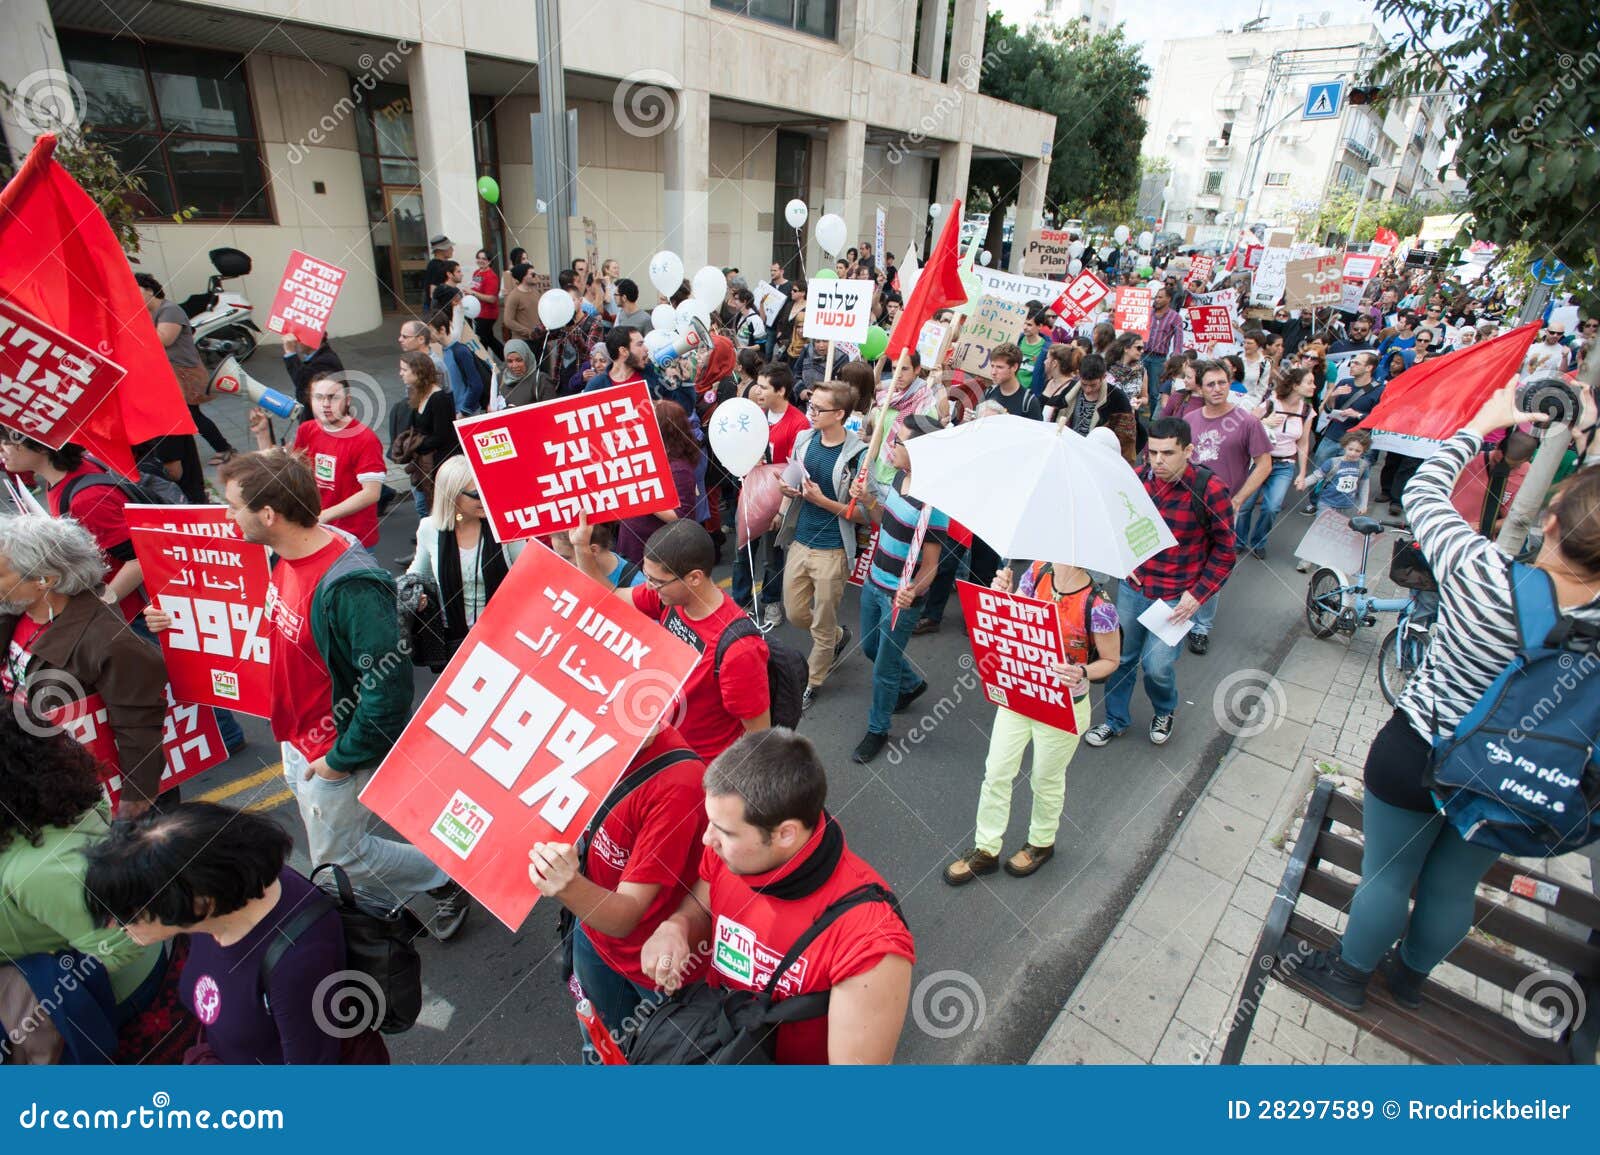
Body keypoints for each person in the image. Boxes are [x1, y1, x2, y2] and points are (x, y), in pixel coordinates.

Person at [1295, 385, 1600, 1012]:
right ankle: (1409, 979)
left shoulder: (1482, 572)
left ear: (1548, 521)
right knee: (1451, 888)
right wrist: (1587, 442)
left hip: (1419, 748)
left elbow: (1422, 493)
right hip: (1509, 775)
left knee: (1387, 873)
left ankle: (1349, 977)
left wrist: (1480, 424)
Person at [146, 450, 470, 936]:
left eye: (234, 506)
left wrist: (339, 758)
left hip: (331, 748)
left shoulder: (351, 585)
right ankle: (406, 892)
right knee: (338, 851)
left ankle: (444, 878)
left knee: (340, 858)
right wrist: (183, 622)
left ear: (269, 515)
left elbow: (387, 692)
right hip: (298, 740)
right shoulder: (288, 553)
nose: (227, 517)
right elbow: (276, 626)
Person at [638, 729, 914, 1064]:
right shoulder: (731, 854)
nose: (707, 840)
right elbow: (701, 904)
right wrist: (677, 926)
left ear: (785, 833)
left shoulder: (870, 942)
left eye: (724, 831)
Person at [85, 802, 388, 1064]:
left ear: (201, 901)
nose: (114, 926)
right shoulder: (220, 897)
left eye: (127, 913)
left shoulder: (298, 961)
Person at [0, 712, 188, 1065]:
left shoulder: (41, 870)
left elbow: (124, 941)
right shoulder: (49, 799)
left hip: (120, 1001)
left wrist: (51, 991)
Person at [528, 723, 708, 1051]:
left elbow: (625, 917)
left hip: (652, 962)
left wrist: (568, 886)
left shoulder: (678, 785)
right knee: (600, 1044)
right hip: (592, 935)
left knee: (659, 1056)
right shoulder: (584, 740)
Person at [945, 560, 1121, 885]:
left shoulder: (1099, 605)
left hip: (1064, 705)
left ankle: (1041, 843)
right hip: (1021, 692)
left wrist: (1082, 671)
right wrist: (1000, 595)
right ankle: (985, 848)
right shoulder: (1037, 572)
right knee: (996, 771)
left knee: (1045, 779)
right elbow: (1013, 620)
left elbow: (1112, 660)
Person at [0, 516, 167, 817]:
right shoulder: (13, 614)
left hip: (92, 800)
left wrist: (135, 801)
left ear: (45, 580)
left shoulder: (108, 641)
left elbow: (139, 728)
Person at [1085, 418, 1236, 748]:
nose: (1157, 461)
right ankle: (1115, 719)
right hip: (1133, 589)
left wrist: (1197, 595)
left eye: (1167, 453)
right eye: (1152, 452)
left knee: (1157, 666)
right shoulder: (1136, 481)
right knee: (1121, 658)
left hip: (1176, 598)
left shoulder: (1210, 490)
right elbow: (1115, 526)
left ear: (1189, 451)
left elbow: (1226, 549)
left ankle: (1164, 710)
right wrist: (1124, 560)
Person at [573, 518, 770, 761]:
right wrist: (582, 548)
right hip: (668, 748)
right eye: (648, 576)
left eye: (657, 581)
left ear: (695, 578)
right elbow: (610, 596)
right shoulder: (670, 597)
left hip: (706, 769)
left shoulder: (740, 649)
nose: (649, 586)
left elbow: (759, 740)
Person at [848, 414, 948, 764]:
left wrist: (913, 591)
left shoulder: (935, 505)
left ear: (919, 450)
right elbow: (881, 523)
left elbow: (931, 567)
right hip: (873, 580)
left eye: (900, 441)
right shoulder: (902, 476)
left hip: (899, 599)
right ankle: (912, 684)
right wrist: (870, 502)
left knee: (883, 669)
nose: (893, 445)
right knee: (871, 649)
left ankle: (878, 730)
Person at [775, 382, 868, 710]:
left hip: (833, 550)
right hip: (800, 539)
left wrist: (823, 501)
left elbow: (864, 514)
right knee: (796, 612)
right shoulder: (805, 439)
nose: (810, 413)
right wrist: (788, 491)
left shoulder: (859, 457)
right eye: (810, 406)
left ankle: (813, 681)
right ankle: (838, 638)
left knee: (822, 621)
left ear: (840, 414)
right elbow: (794, 478)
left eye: (818, 409)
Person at [1182, 360, 1271, 653]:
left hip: (1222, 509)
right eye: (1211, 384)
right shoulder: (1191, 418)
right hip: (1188, 505)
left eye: (1222, 383)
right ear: (1201, 387)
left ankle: (1201, 626)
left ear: (1230, 383)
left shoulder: (1247, 421)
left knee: (1211, 566)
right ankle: (1180, 613)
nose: (1217, 389)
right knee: (1185, 561)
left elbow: (1263, 464)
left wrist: (1238, 499)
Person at [406, 456, 524, 664]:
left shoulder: (504, 525)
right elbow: (417, 575)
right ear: (453, 496)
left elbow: (529, 576)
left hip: (506, 638)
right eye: (477, 494)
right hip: (454, 641)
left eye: (488, 490)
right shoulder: (429, 528)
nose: (485, 499)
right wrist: (415, 595)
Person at [249, 372, 384, 548]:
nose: (325, 405)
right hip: (316, 532)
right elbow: (283, 471)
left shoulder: (365, 439)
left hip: (352, 539)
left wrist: (324, 515)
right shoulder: (307, 429)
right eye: (319, 398)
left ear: (348, 400)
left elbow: (371, 493)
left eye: (333, 398)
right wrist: (262, 434)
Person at [735, 364, 810, 625]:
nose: (758, 391)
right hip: (749, 497)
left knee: (771, 558)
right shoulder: (754, 415)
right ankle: (740, 602)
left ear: (781, 390)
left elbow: (796, 467)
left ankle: (770, 603)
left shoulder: (798, 423)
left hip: (776, 502)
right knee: (742, 553)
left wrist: (782, 509)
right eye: (758, 385)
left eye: (764, 387)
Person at [134, 272, 232, 465]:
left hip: (184, 372)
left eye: (136, 292)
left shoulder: (169, 310)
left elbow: (164, 339)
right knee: (186, 414)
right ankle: (206, 450)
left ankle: (225, 448)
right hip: (167, 375)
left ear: (150, 290)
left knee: (192, 414)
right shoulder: (148, 313)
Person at [1235, 366, 1316, 560]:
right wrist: (1264, 422)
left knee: (1272, 507)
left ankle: (1258, 542)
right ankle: (1238, 540)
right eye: (1310, 382)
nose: (1314, 386)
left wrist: (1302, 473)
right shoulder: (1271, 404)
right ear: (1296, 385)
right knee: (1245, 504)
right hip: (1260, 461)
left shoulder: (1306, 411)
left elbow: (1303, 442)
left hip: (1284, 465)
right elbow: (1245, 425)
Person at [615, 400, 696, 565]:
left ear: (664, 430)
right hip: (632, 544)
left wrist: (646, 493)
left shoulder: (678, 469)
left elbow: (682, 518)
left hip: (653, 553)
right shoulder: (649, 458)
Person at [399, 350, 459, 516]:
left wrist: (416, 445)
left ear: (418, 371)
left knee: (427, 508)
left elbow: (442, 436)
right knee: (423, 506)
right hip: (422, 463)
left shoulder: (439, 398)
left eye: (404, 370)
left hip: (438, 464)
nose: (400, 374)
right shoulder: (416, 394)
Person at [1059, 353, 1136, 464]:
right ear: (1079, 375)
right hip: (1069, 453)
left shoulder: (1118, 399)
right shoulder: (1069, 392)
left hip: (1099, 459)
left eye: (1093, 385)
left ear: (1104, 377)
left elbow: (1126, 441)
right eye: (1084, 384)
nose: (1088, 390)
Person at [549, 518, 644, 590]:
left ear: (593, 550)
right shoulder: (567, 575)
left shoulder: (636, 585)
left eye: (566, 558)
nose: (559, 563)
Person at [280, 332, 345, 413]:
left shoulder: (324, 361)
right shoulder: (323, 355)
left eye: (299, 338)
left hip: (322, 419)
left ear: (312, 338)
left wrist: (290, 353)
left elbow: (302, 386)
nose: (296, 341)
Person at [1143, 285, 1184, 398]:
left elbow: (1178, 339)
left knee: (1154, 391)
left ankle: (1153, 416)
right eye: (1156, 297)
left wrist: (1176, 358)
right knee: (1137, 386)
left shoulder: (1175, 317)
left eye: (1160, 297)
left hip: (1158, 359)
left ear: (1169, 299)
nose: (1157, 300)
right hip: (1141, 354)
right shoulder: (1147, 312)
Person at [983, 344, 1044, 419]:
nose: (993, 372)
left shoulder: (1029, 402)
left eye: (1000, 367)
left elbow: (1036, 430)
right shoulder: (989, 392)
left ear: (1014, 367)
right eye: (992, 366)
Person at [465, 249, 503, 358]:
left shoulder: (491, 276)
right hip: (477, 312)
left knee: (482, 340)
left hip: (487, 314)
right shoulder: (477, 273)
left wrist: (473, 293)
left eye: (484, 258)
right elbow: (475, 290)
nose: (481, 261)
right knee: (489, 338)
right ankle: (505, 357)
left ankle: (485, 363)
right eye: (479, 258)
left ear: (489, 261)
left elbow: (492, 298)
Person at [499, 337, 549, 408]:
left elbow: (551, 411)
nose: (514, 365)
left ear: (527, 358)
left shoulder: (541, 380)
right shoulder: (500, 378)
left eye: (519, 360)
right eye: (510, 361)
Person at [1106, 332, 1147, 410]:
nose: (1142, 351)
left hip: (1129, 416)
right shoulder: (1108, 367)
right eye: (1138, 348)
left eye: (1142, 348)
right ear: (1126, 348)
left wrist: (1140, 401)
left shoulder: (1141, 370)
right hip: (1107, 414)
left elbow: (1145, 397)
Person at [503, 263, 543, 341]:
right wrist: (529, 333)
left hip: (538, 339)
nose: (535, 276)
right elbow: (508, 321)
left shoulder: (536, 292)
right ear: (524, 277)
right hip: (522, 341)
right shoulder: (514, 296)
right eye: (532, 274)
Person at [1017, 307, 1050, 393]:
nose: (1025, 327)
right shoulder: (1017, 340)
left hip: (1030, 393)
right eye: (1024, 323)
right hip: (1012, 389)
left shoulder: (1047, 348)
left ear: (1039, 326)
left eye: (1029, 325)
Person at [422, 235, 453, 312]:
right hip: (439, 308)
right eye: (449, 247)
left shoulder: (432, 263)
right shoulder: (439, 266)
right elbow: (433, 290)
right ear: (441, 250)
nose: (452, 250)